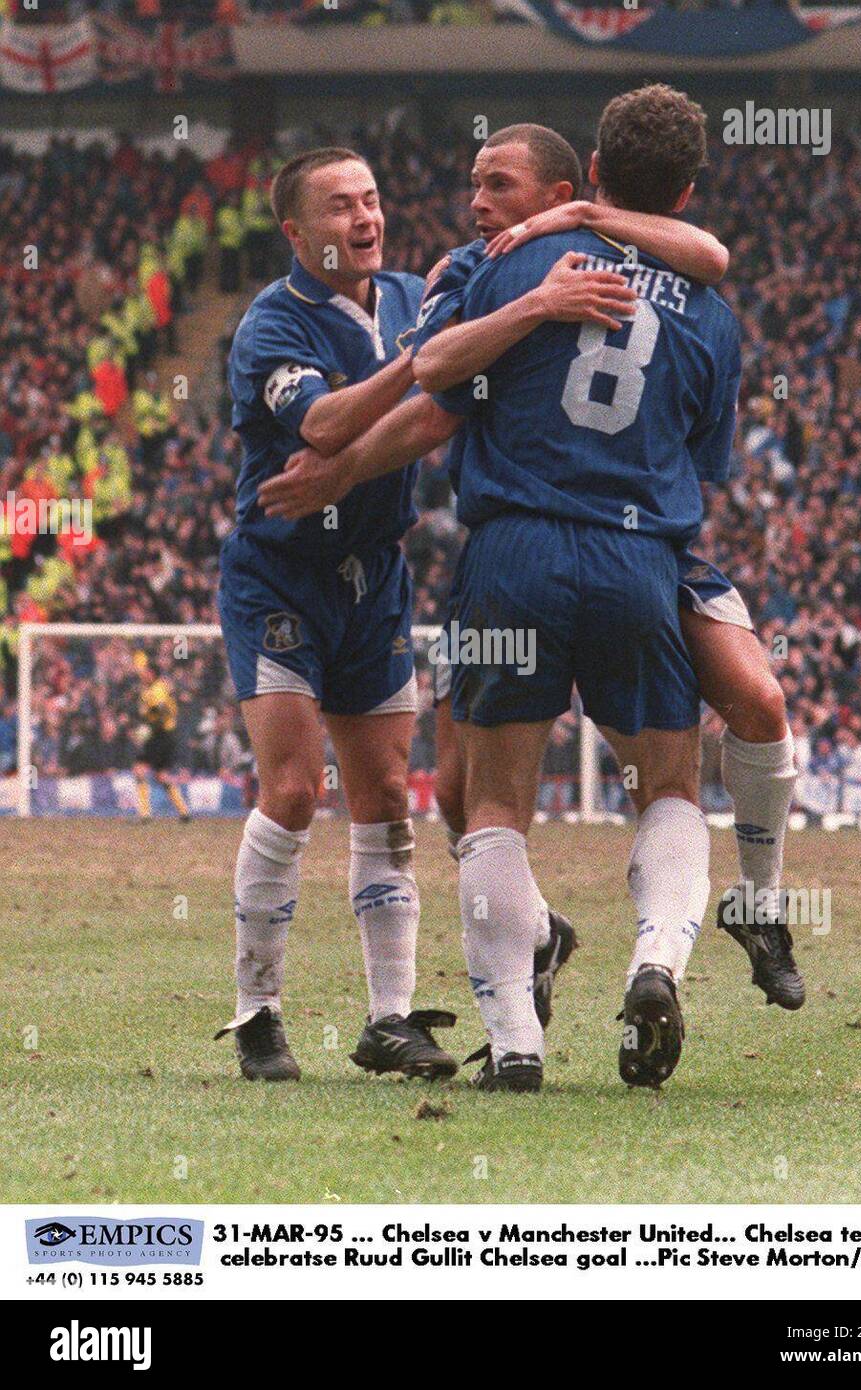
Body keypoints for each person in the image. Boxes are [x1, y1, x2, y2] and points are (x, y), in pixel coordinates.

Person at [262, 119, 803, 1023]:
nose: (480, 205)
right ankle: (548, 935)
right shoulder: (656, 284)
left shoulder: (503, 269)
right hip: (613, 547)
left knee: (739, 707)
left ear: (572, 187)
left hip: (593, 545)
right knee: (469, 794)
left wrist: (344, 464)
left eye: (499, 187)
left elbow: (434, 408)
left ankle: (741, 916)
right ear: (686, 188)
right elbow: (708, 267)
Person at [214, 147, 631, 1082]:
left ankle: (389, 1020)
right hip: (280, 579)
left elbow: (487, 297)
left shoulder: (415, 289)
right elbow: (322, 428)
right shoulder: (272, 324)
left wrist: (566, 234)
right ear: (295, 231)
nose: (364, 218)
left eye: (370, 199)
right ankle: (256, 1016)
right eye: (338, 206)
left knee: (384, 803)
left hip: (376, 579)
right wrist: (419, 356)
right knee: (290, 791)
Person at [131, 653, 192, 823]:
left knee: (140, 769)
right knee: (160, 775)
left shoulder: (157, 689)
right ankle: (184, 812)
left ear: (151, 673)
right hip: (163, 735)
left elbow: (162, 711)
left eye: (145, 672)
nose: (142, 674)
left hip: (160, 735)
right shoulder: (150, 688)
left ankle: (144, 815)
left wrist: (145, 729)